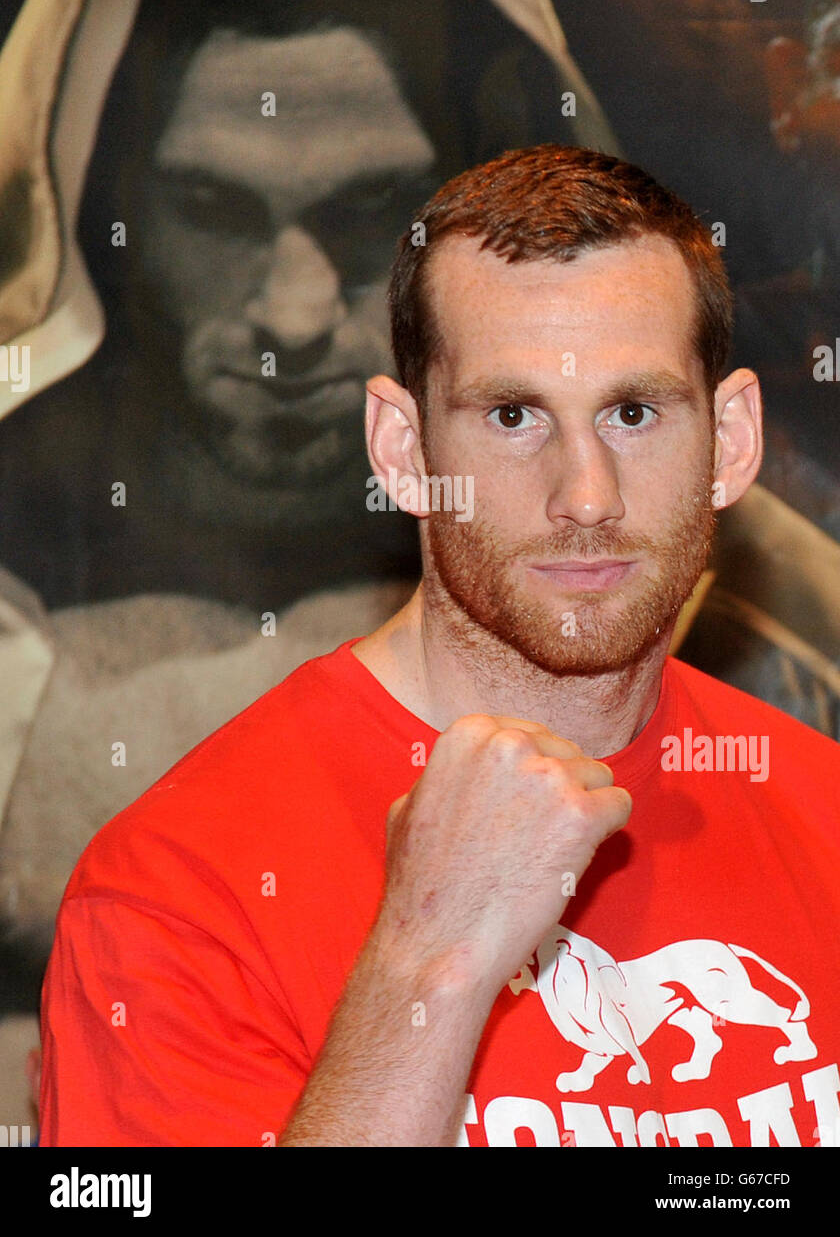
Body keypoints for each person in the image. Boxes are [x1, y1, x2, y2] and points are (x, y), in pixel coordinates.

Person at [39, 146, 840, 1148]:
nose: (585, 494)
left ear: (730, 439)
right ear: (403, 451)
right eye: (512, 416)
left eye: (634, 412)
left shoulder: (823, 807)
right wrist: (429, 964)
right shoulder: (177, 894)